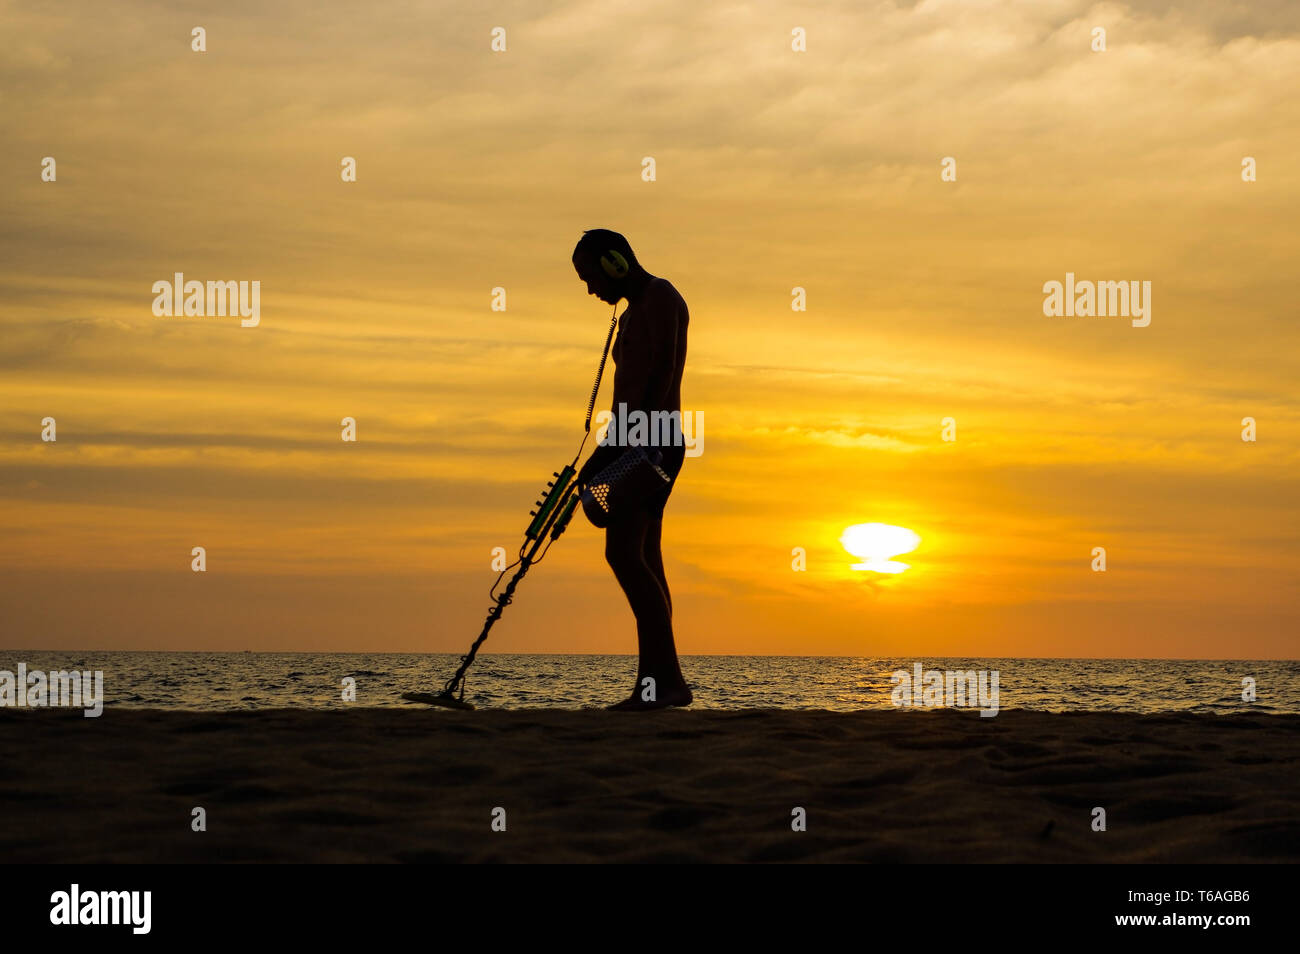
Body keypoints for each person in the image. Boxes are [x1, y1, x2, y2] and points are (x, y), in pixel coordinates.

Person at [572, 229, 692, 710]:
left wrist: (623, 448)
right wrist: (608, 443)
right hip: (637, 442)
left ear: (616, 263)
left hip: (650, 445)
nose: (590, 289)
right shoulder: (632, 313)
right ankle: (663, 682)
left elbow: (662, 376)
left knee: (623, 555)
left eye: (591, 276)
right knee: (645, 559)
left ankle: (662, 684)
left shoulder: (661, 296)